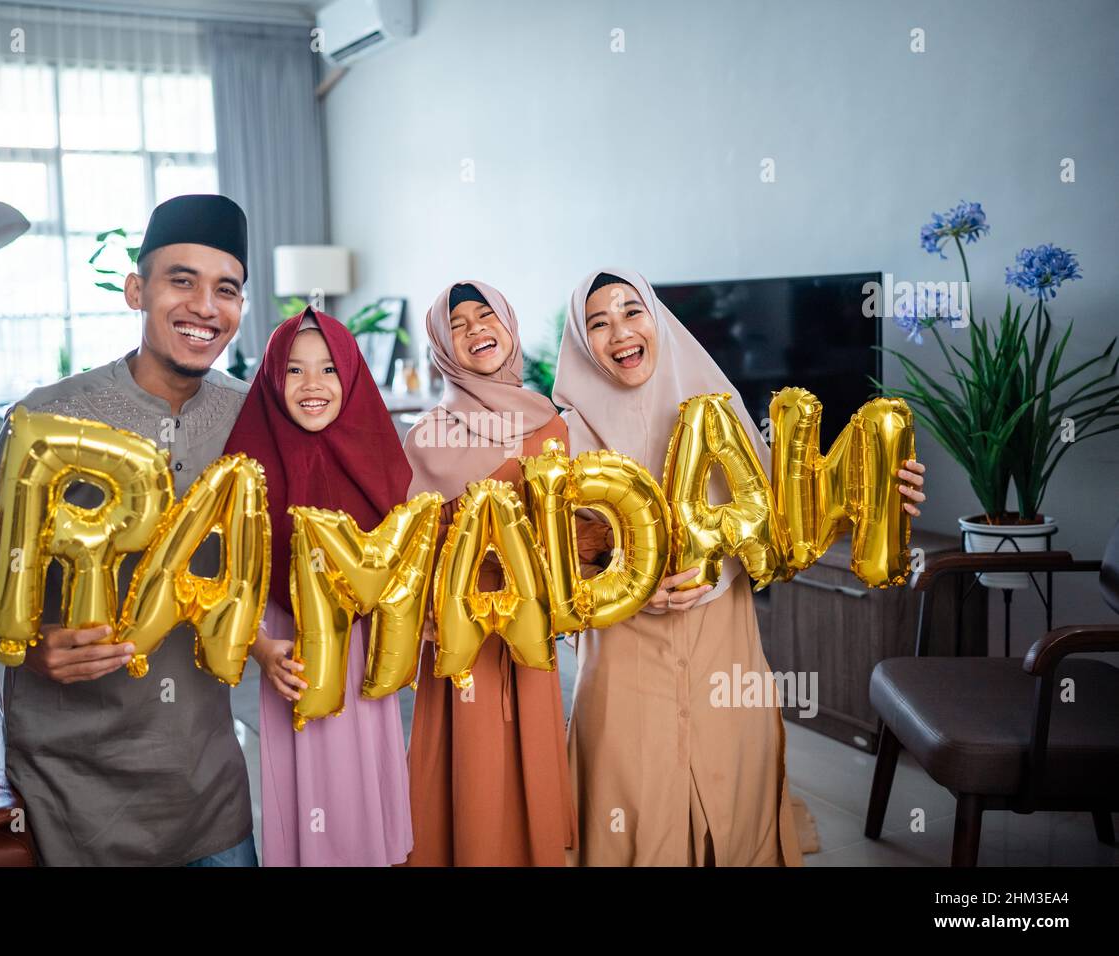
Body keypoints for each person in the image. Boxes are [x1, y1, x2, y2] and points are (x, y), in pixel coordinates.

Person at [553, 268, 927, 866]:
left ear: (658, 322)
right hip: (623, 652)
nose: (620, 332)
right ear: (580, 341)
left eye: (632, 311)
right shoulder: (562, 438)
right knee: (634, 795)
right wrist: (627, 583)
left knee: (735, 788)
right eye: (598, 323)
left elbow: (797, 502)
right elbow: (552, 559)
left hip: (721, 642)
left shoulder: (717, 414)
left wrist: (882, 488)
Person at [0, 194, 257, 867]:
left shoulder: (253, 417)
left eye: (226, 289)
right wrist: (30, 644)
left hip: (207, 783)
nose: (205, 306)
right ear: (136, 291)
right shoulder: (47, 416)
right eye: (181, 280)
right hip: (73, 786)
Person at [401, 280, 599, 866]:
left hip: (528, 628)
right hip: (457, 630)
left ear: (508, 327)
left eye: (485, 316)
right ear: (442, 346)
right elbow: (410, 540)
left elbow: (571, 530)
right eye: (456, 324)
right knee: (469, 757)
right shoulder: (425, 436)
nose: (474, 330)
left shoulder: (552, 425)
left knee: (529, 746)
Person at [223, 308, 413, 866]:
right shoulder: (247, 465)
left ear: (352, 376)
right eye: (295, 371)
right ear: (271, 378)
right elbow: (230, 574)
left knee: (364, 783)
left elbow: (405, 559)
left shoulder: (379, 453)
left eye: (329, 369)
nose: (312, 386)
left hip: (365, 648)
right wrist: (258, 646)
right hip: (290, 648)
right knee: (307, 786)